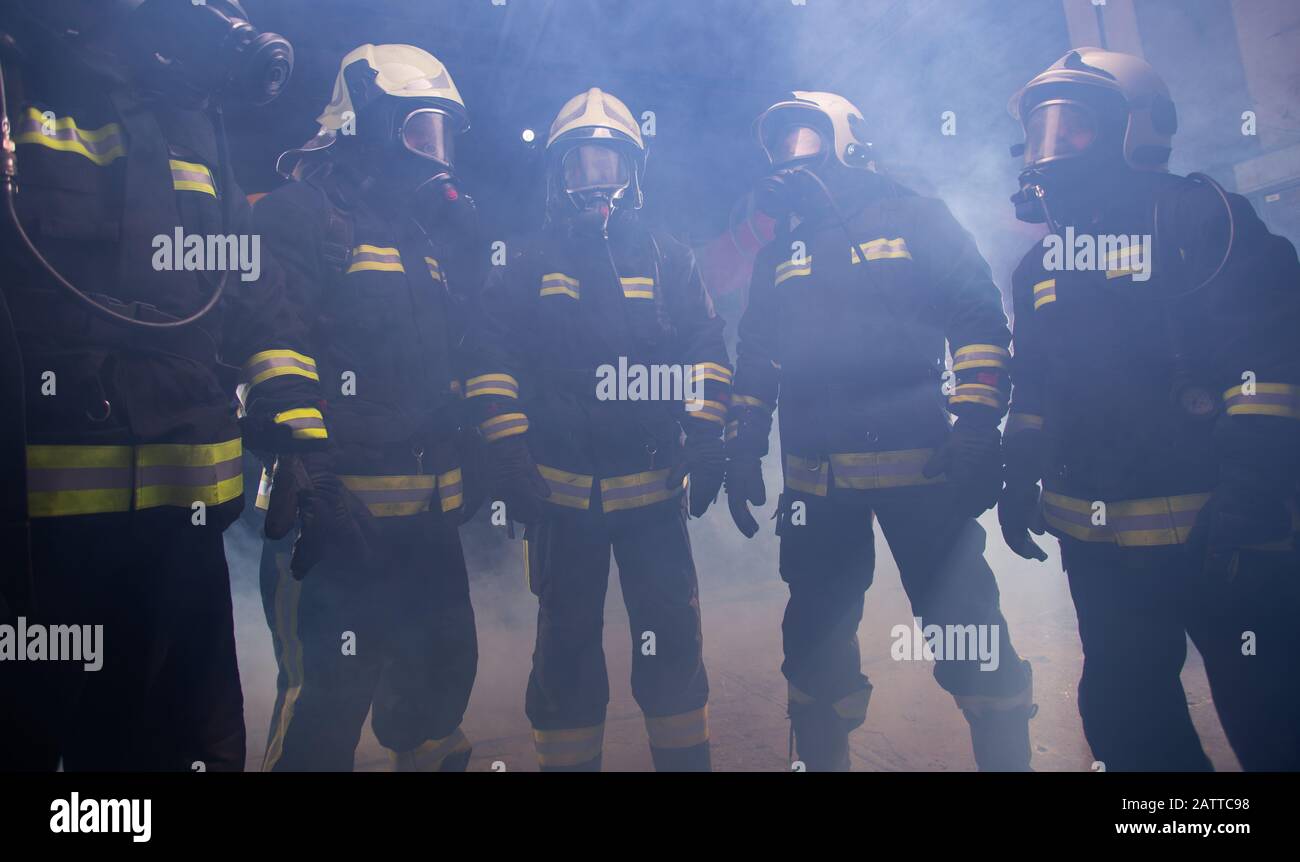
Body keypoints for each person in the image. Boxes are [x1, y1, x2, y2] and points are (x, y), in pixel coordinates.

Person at [0, 0, 314, 771]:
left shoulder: (189, 121)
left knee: (190, 752)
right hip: (43, 549)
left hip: (184, 532)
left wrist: (301, 435)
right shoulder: (20, 84)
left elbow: (251, 294)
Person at [1001, 48, 1300, 771]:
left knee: (1272, 713)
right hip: (1100, 552)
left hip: (1222, 539)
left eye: (1072, 128)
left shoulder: (1204, 220)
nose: (1051, 148)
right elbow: (1036, 386)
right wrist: (1016, 473)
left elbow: (1271, 366)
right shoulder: (1040, 267)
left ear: (1135, 130)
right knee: (1128, 720)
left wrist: (1254, 497)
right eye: (1042, 130)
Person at [727, 91, 1034, 771]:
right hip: (816, 488)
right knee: (814, 645)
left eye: (801, 138)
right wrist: (743, 440)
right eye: (777, 145)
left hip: (927, 476)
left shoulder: (917, 216)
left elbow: (978, 321)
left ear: (845, 140)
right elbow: (757, 353)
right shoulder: (780, 252)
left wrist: (979, 421)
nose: (786, 156)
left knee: (966, 632)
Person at [465, 88, 728, 771]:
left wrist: (705, 434)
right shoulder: (523, 261)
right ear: (558, 177)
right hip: (559, 501)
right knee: (565, 648)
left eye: (608, 163)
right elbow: (492, 361)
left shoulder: (670, 257)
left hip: (654, 495)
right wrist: (509, 453)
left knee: (671, 641)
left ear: (633, 174)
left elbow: (705, 348)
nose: (595, 180)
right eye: (580, 166)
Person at [252, 44, 483, 772]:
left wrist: (483, 444)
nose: (434, 155)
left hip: (427, 523)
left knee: (441, 685)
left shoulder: (425, 238)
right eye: (420, 131)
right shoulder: (300, 215)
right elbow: (271, 341)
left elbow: (460, 359)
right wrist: (310, 464)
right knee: (328, 697)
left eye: (444, 135)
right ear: (366, 126)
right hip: (331, 515)